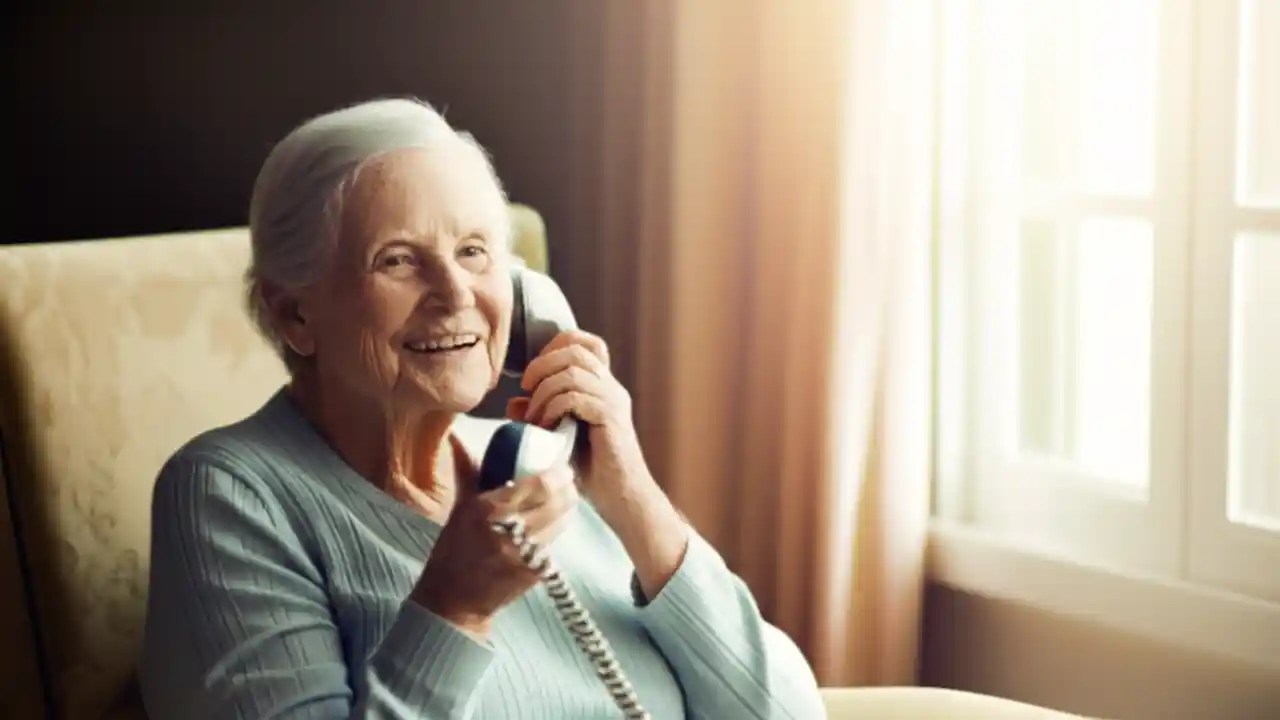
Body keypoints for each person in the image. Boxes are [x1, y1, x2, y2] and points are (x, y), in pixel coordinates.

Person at [139, 98, 824, 719]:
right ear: (294, 315)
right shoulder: (229, 495)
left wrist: (638, 504)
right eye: (399, 261)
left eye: (474, 252)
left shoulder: (542, 460)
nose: (456, 293)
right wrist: (454, 609)